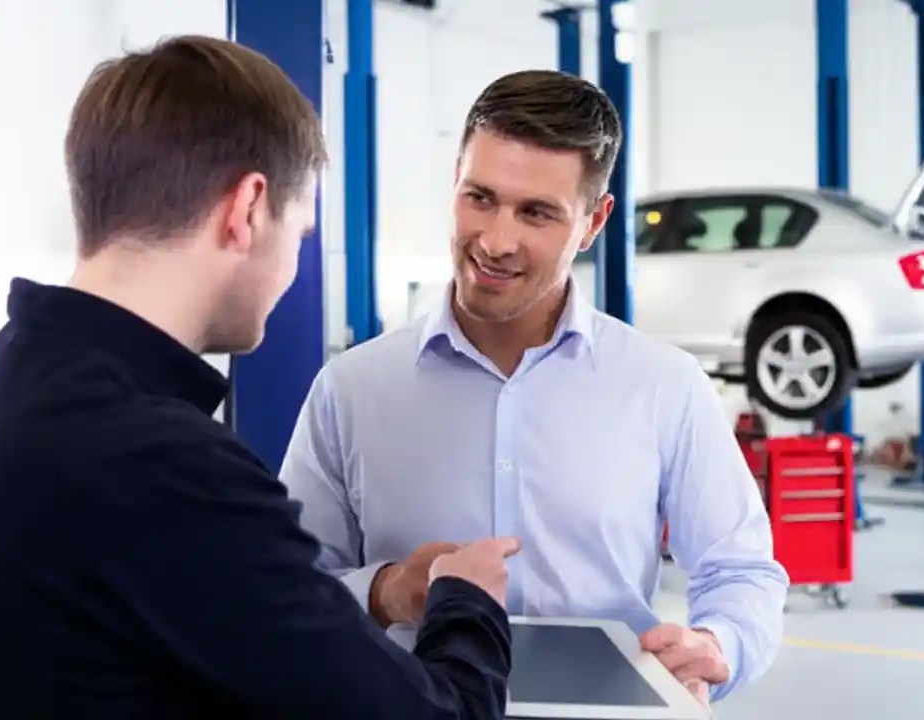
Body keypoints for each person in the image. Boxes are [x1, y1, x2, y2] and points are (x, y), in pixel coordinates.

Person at [0, 35, 521, 719]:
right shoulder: (165, 463)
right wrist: (467, 603)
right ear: (247, 208)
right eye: (300, 233)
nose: (291, 270)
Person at [279, 69, 790, 705]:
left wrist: (718, 645)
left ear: (594, 221)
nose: (496, 241)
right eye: (480, 198)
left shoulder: (665, 387)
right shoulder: (351, 390)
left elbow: (740, 568)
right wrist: (386, 592)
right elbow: (288, 589)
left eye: (537, 213)